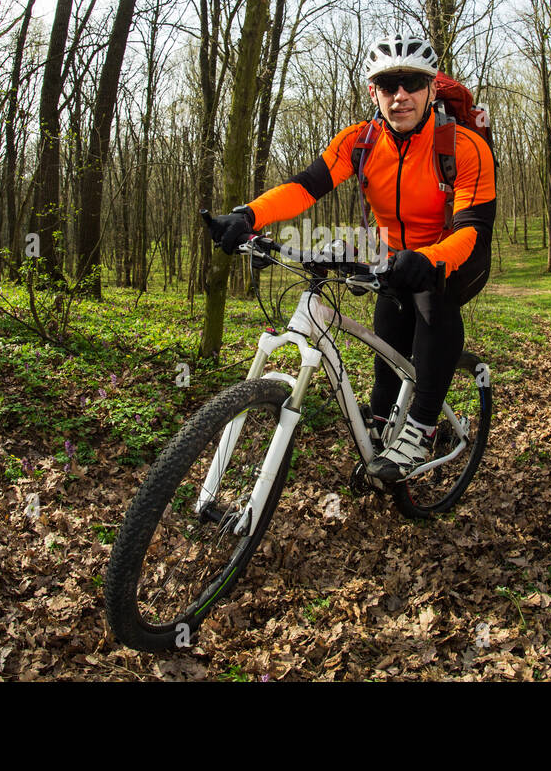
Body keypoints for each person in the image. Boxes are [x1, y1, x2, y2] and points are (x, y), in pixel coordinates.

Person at [208, 33, 495, 482]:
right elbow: (305, 186)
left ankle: (420, 427)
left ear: (433, 88)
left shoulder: (463, 147)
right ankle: (381, 432)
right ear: (372, 92)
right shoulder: (359, 142)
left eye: (412, 84)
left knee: (433, 305)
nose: (400, 96)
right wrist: (249, 215)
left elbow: (472, 230)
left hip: (454, 257)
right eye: (387, 85)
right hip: (393, 256)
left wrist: (431, 259)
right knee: (387, 346)